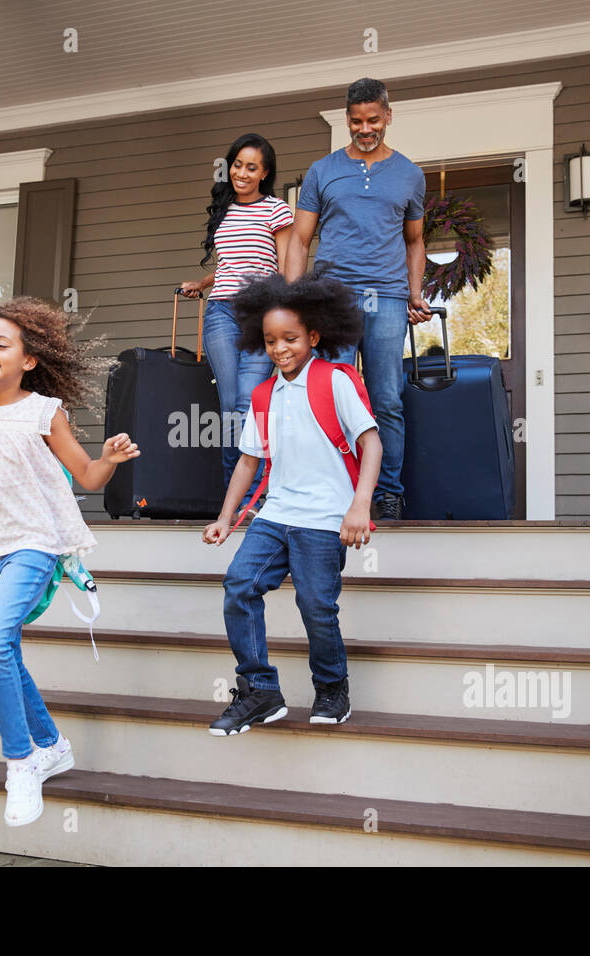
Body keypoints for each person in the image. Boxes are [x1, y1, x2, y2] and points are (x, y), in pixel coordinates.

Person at [0, 298, 139, 827]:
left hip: (34, 544)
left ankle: (21, 761)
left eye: (1, 344)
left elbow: (88, 479)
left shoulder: (44, 411)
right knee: (3, 649)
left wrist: (110, 461)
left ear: (29, 359)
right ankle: (52, 744)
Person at [202, 272, 381, 734]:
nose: (280, 348)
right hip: (276, 513)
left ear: (313, 336)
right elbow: (247, 462)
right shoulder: (264, 395)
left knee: (316, 605)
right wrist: (225, 519)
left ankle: (331, 686)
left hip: (325, 517)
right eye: (270, 340)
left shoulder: (336, 380)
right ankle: (260, 690)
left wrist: (360, 506)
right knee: (240, 586)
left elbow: (372, 443)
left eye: (290, 338)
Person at [284, 77, 428, 520]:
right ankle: (338, 489)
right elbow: (300, 239)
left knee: (386, 398)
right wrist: (293, 300)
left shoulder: (409, 173)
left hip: (386, 298)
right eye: (356, 121)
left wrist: (415, 293)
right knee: (332, 397)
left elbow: (415, 241)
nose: (365, 129)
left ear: (388, 116)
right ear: (346, 120)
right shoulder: (323, 171)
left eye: (373, 120)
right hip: (333, 298)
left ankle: (387, 493)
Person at [179, 132, 294, 502]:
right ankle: (239, 500)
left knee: (249, 403)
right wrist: (202, 281)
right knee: (230, 408)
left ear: (265, 173)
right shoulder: (223, 210)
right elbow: (232, 263)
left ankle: (255, 497)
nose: (242, 173)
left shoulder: (276, 210)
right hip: (220, 313)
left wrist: (290, 309)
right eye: (238, 164)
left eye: (252, 168)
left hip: (262, 315)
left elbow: (284, 263)